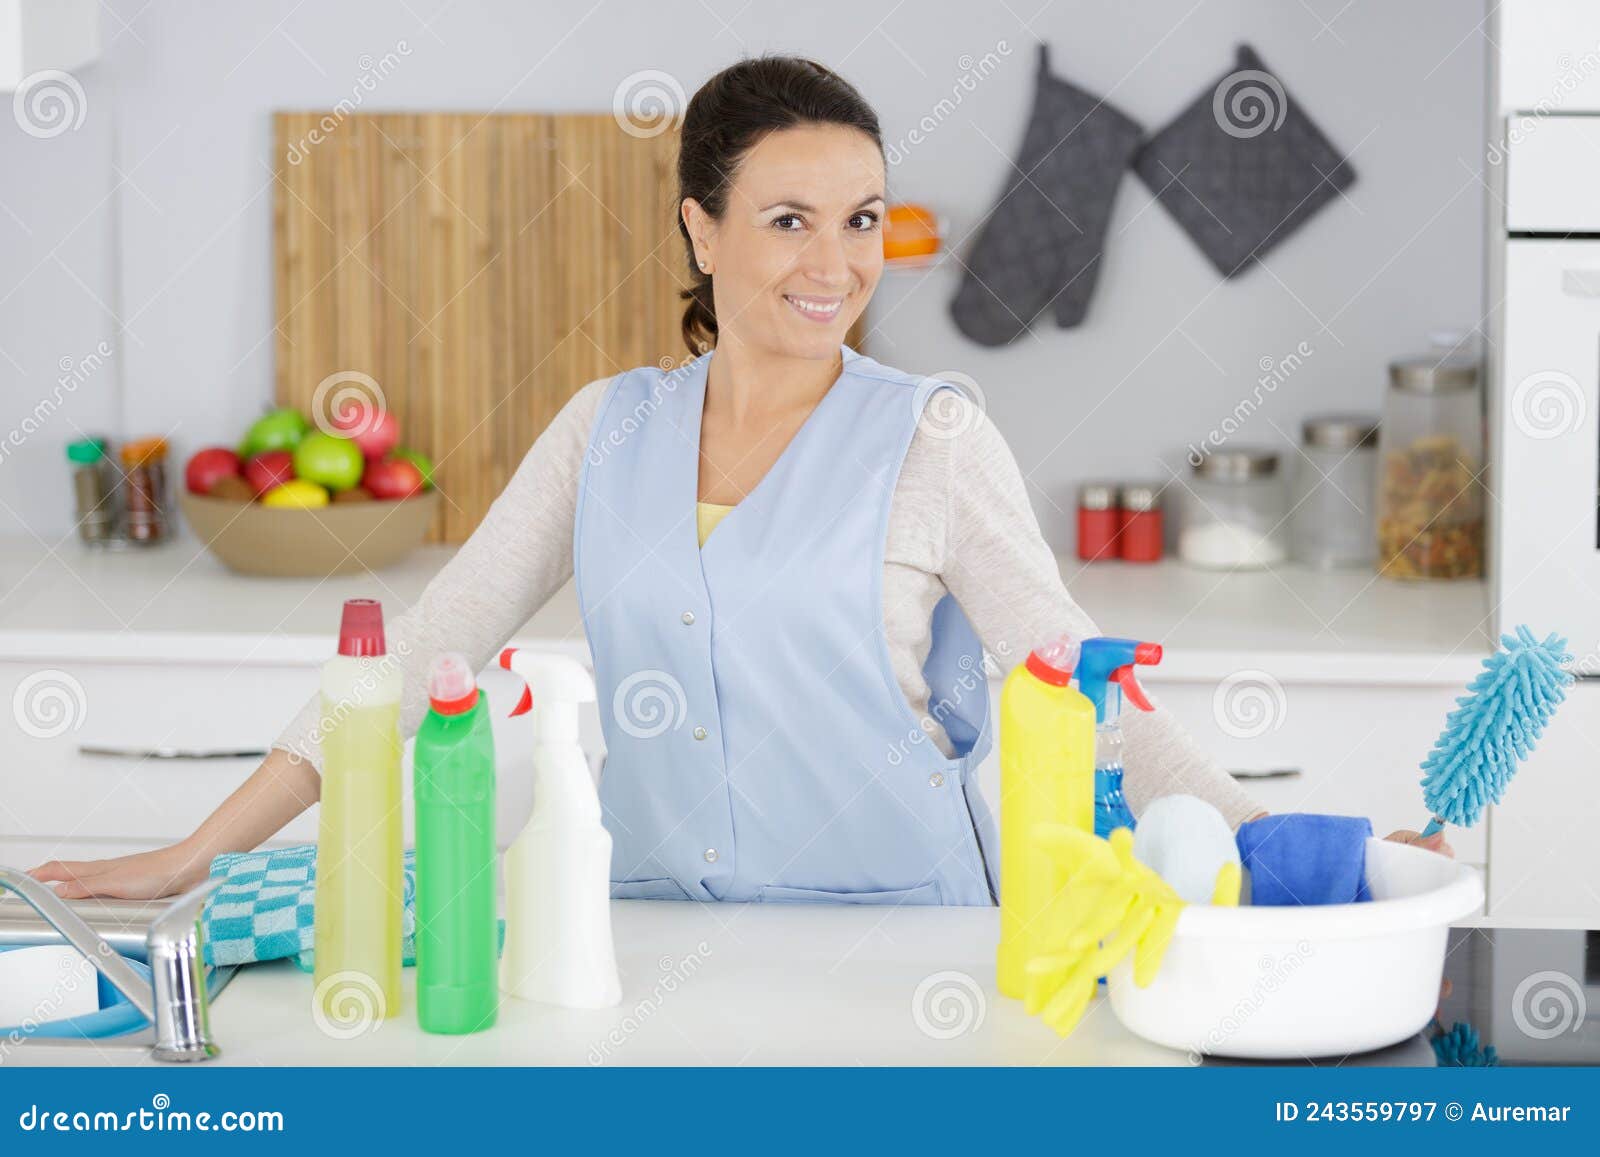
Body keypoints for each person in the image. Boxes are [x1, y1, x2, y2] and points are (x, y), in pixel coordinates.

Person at [30, 54, 1448, 904]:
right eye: (787, 221)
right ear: (702, 232)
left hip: (903, 945)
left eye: (861, 220)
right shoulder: (607, 429)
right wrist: (197, 851)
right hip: (650, 934)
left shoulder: (936, 437)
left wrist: (1297, 850)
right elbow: (415, 658)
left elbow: (1091, 693)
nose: (835, 263)